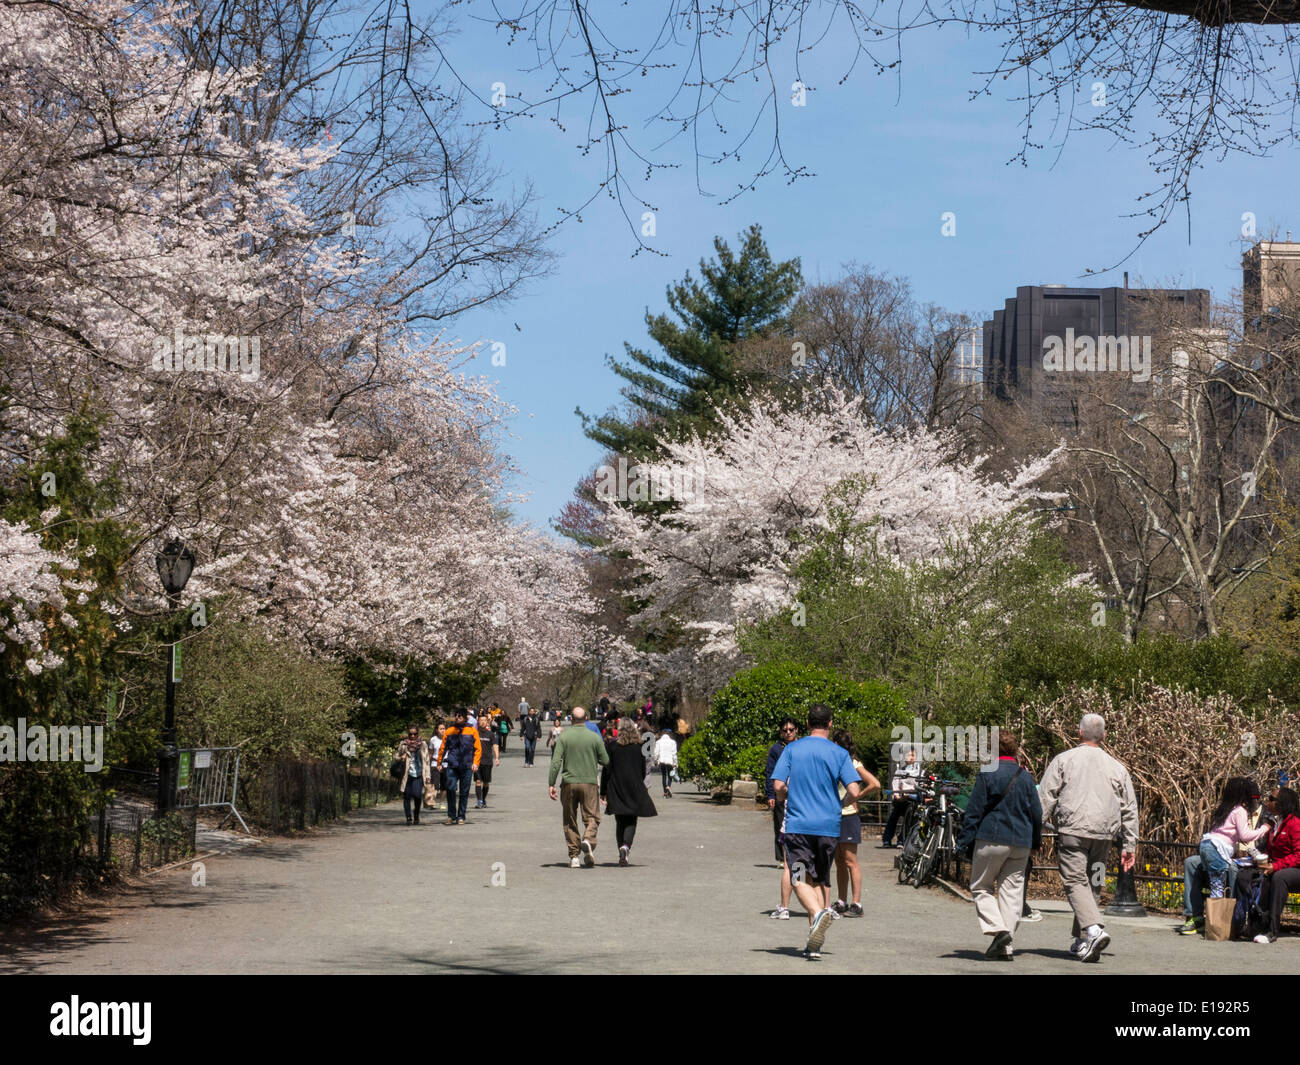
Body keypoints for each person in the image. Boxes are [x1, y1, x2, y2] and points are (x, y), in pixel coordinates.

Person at [1038, 712, 1139, 962]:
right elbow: (1129, 808)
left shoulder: (1064, 760)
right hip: (1104, 836)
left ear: (1079, 733)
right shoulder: (1117, 767)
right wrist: (1129, 843)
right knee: (1094, 880)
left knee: (1074, 881)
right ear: (1104, 736)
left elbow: (1046, 797)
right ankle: (1082, 940)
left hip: (1074, 832)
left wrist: (1034, 830)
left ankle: (1093, 930)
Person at [770, 704, 864, 959]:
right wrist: (840, 804)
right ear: (830, 724)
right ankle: (814, 942)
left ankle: (820, 914)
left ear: (808, 723)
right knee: (820, 880)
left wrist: (784, 795)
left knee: (799, 878)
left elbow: (778, 785)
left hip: (799, 827)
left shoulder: (792, 749)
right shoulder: (839, 753)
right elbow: (854, 791)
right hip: (828, 828)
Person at [955, 731, 1043, 961]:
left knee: (981, 887)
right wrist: (1036, 842)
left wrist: (964, 841)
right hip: (1021, 841)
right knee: (1012, 893)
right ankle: (1006, 947)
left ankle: (999, 930)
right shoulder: (1026, 777)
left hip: (992, 837)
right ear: (1015, 751)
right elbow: (1036, 812)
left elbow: (974, 812)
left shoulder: (987, 773)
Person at [1178, 778, 1262, 934]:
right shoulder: (1231, 810)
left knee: (1231, 869)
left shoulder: (1265, 818)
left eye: (1258, 798)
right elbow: (1227, 836)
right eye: (1253, 798)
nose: (1255, 802)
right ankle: (1194, 916)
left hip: (1243, 860)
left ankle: (1232, 918)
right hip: (1223, 852)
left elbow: (1259, 844)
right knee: (1191, 862)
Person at [547, 706, 610, 868]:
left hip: (568, 782)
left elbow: (556, 762)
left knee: (569, 819)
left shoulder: (564, 737)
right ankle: (588, 839)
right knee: (592, 817)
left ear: (572, 719)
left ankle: (574, 856)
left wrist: (551, 783)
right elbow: (605, 761)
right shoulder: (594, 738)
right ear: (587, 719)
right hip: (589, 782)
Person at [831, 729, 881, 918]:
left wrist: (855, 797)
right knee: (839, 861)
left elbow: (875, 783)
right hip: (833, 816)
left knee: (851, 861)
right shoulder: (832, 761)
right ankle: (842, 900)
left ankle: (857, 903)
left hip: (848, 816)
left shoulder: (853, 762)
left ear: (836, 744)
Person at [601, 717, 658, 866]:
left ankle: (621, 847)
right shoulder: (640, 747)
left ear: (619, 730)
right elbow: (643, 770)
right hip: (634, 786)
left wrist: (603, 791)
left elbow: (607, 770)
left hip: (616, 786)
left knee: (620, 820)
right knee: (632, 819)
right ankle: (626, 846)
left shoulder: (612, 746)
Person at [1252, 786, 1300, 944]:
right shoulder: (1272, 823)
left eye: (1271, 799)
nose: (1267, 801)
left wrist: (1276, 866)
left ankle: (1272, 931)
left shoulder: (1295, 824)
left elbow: (1298, 855)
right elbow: (1270, 849)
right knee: (1248, 875)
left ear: (1282, 803)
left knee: (1279, 877)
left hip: (1295, 870)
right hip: (1280, 866)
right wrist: (1259, 857)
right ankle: (1254, 925)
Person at [766, 717, 799, 920]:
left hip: (797, 800)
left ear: (797, 730)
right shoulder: (777, 749)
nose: (788, 732)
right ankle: (781, 856)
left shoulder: (800, 747)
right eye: (785, 730)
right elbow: (770, 773)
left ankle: (788, 905)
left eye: (791, 729)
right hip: (782, 796)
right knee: (780, 826)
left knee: (797, 863)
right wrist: (770, 794)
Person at [436, 708, 481, 825]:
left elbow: (478, 748)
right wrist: (439, 762)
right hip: (452, 764)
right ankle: (451, 815)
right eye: (456, 715)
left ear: (465, 717)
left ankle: (461, 816)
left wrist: (476, 763)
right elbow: (443, 748)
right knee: (450, 789)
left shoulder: (472, 730)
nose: (457, 718)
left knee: (464, 792)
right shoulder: (450, 731)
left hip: (467, 765)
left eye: (459, 716)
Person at [880, 745, 921, 849]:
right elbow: (895, 784)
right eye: (908, 755)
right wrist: (897, 795)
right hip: (900, 799)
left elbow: (918, 786)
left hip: (911, 799)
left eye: (913, 755)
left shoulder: (918, 771)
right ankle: (887, 839)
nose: (911, 757)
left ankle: (901, 840)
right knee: (893, 816)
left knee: (909, 816)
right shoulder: (899, 770)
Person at [395, 725, 432, 825]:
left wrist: (428, 776)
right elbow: (396, 756)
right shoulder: (403, 745)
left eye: (414, 734)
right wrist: (401, 757)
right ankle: (408, 817)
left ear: (417, 734)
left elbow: (427, 761)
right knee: (407, 796)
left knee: (417, 795)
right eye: (410, 734)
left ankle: (416, 815)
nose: (412, 736)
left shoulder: (423, 745)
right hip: (407, 774)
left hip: (419, 774)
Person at [474, 711, 501, 808]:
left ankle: (483, 799)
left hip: (488, 761)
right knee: (477, 781)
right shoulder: (475, 733)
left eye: (484, 720)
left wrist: (497, 757)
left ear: (487, 722)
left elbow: (495, 746)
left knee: (486, 783)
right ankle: (479, 801)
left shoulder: (490, 734)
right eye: (481, 720)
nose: (482, 722)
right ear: (478, 722)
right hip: (477, 761)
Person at [654, 729, 678, 798]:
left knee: (664, 776)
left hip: (662, 761)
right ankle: (668, 787)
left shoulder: (658, 742)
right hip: (670, 761)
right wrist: (675, 762)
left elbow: (656, 753)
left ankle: (665, 792)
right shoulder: (673, 742)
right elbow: (674, 754)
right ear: (669, 735)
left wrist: (655, 761)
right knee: (670, 775)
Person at [429, 721, 447, 811]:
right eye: (441, 729)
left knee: (444, 785)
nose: (443, 730)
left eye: (444, 729)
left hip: (445, 764)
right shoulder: (433, 740)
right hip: (435, 764)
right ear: (437, 730)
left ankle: (442, 802)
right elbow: (431, 752)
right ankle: (432, 801)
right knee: (435, 784)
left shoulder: (448, 739)